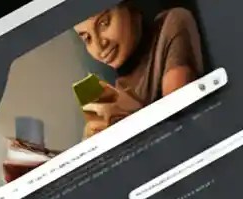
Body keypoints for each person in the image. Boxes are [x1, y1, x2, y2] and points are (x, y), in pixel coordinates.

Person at [74, 2, 205, 138]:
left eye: (104, 23)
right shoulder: (121, 87)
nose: (99, 47)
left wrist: (134, 116)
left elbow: (184, 125)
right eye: (87, 38)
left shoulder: (172, 24)